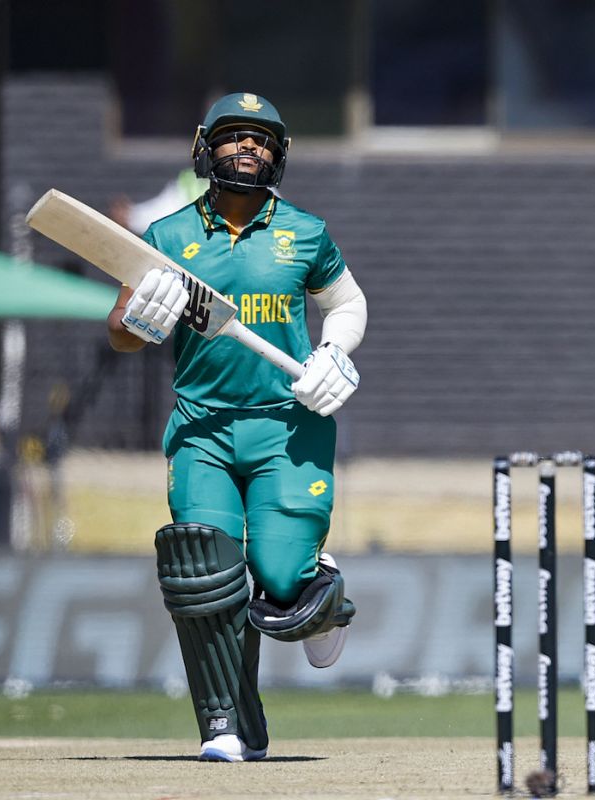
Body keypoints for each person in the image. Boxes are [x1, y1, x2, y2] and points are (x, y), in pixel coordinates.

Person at [106, 92, 367, 762]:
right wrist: (142, 320)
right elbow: (120, 332)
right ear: (205, 147)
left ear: (278, 155)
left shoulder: (304, 232)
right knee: (205, 574)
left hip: (289, 427)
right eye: (233, 136)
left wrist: (334, 350)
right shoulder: (167, 237)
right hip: (203, 428)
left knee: (278, 579)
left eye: (261, 139)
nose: (247, 147)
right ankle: (225, 725)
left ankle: (316, 588)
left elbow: (346, 301)